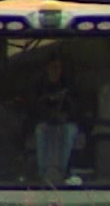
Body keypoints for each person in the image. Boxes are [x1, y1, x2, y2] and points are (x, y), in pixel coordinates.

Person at [32, 56, 79, 184]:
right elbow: (34, 108)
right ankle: (42, 173)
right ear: (46, 69)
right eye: (52, 67)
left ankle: (62, 172)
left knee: (69, 131)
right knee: (39, 130)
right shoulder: (39, 86)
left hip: (67, 123)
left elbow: (76, 109)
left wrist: (65, 115)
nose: (55, 71)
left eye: (58, 68)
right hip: (46, 122)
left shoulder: (69, 85)